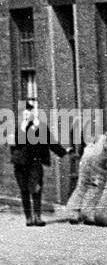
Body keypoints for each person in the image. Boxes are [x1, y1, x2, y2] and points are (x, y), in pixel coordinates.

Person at [9, 96, 67, 226]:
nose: (26, 114)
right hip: (20, 164)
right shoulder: (18, 128)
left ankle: (37, 216)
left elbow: (51, 142)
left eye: (28, 112)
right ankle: (28, 217)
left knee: (36, 188)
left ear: (32, 113)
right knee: (24, 190)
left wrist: (63, 152)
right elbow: (14, 145)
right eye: (24, 113)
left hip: (35, 162)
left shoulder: (41, 127)